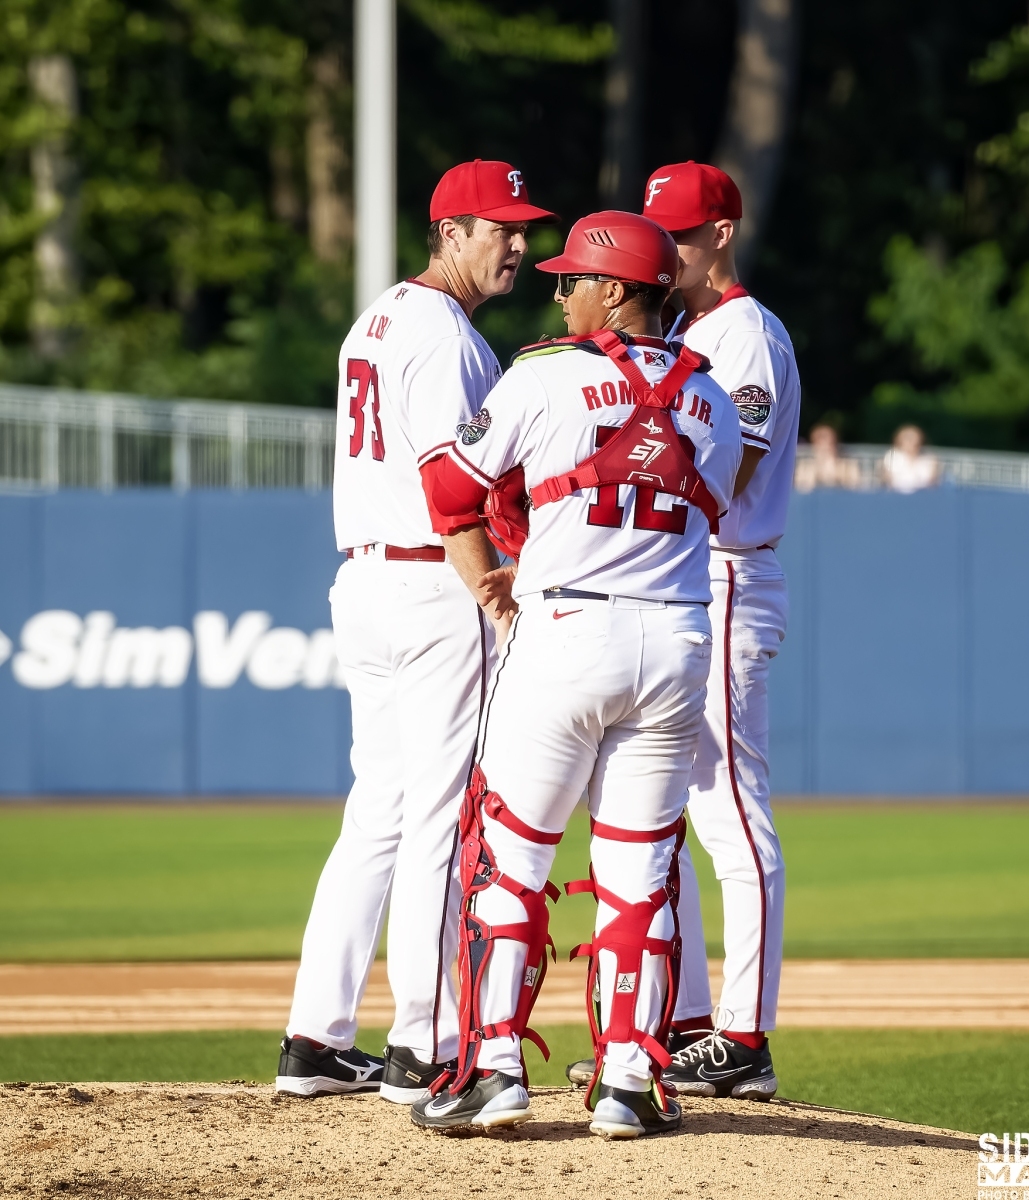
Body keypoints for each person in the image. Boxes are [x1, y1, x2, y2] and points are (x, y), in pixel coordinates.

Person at [409, 210, 742, 1138]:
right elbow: (717, 497)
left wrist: (499, 559)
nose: (561, 295)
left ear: (617, 290)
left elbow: (449, 485)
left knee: (507, 857)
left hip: (566, 633)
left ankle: (494, 1072)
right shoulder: (711, 398)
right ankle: (631, 1081)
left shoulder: (545, 375)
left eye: (574, 281)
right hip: (674, 640)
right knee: (640, 871)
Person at [274, 160, 553, 1099]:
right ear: (449, 233)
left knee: (377, 813)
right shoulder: (448, 338)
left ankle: (315, 1037)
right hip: (434, 583)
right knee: (437, 813)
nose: (515, 244)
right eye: (498, 228)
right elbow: (453, 485)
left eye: (521, 229)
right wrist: (492, 590)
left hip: (364, 580)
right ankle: (423, 1041)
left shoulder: (378, 317)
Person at [631, 160, 802, 1100]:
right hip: (684, 580)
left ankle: (745, 1039)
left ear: (722, 233)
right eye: (660, 237)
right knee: (664, 807)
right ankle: (692, 1025)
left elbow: (730, 478)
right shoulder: (693, 331)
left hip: (730, 574)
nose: (669, 251)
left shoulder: (746, 336)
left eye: (683, 236)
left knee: (731, 811)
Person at [795, 423, 862, 492]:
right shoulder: (806, 465)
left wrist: (834, 470)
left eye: (828, 441)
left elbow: (854, 485)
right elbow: (802, 487)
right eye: (819, 442)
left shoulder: (848, 463)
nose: (824, 446)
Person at [881, 424, 940, 493]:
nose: (911, 443)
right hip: (897, 494)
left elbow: (932, 480)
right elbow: (887, 478)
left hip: (922, 495)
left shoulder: (929, 458)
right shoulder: (891, 456)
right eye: (908, 439)